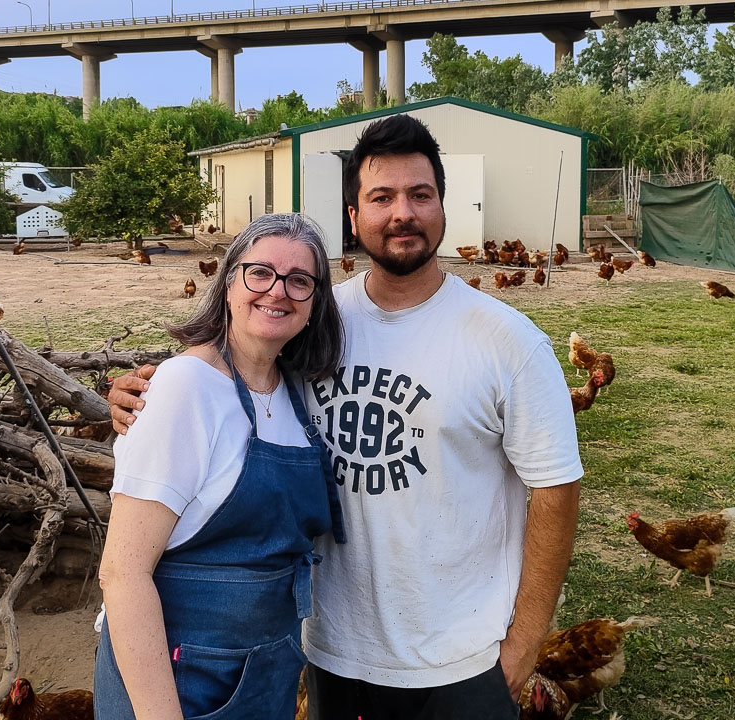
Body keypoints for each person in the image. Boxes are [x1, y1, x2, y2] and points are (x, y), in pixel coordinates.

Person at [108, 114, 582, 720]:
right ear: (354, 217)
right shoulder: (316, 319)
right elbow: (235, 368)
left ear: (442, 207)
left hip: (460, 658)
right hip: (332, 651)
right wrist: (141, 393)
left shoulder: (507, 343)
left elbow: (557, 488)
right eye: (380, 197)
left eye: (420, 194)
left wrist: (523, 643)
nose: (401, 213)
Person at [94, 213, 345, 720]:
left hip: (264, 667)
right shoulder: (184, 387)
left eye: (300, 281)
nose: (278, 291)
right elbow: (122, 574)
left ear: (314, 302)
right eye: (260, 272)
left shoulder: (297, 394)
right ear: (229, 281)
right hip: (178, 678)